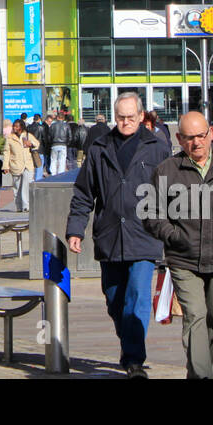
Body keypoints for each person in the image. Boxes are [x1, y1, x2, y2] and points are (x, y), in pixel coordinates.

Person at [143, 111, 213, 379]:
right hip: (184, 260)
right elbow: (150, 212)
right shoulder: (167, 171)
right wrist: (173, 235)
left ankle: (196, 372)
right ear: (179, 139)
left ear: (211, 133)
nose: (197, 142)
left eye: (202, 135)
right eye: (190, 138)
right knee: (195, 316)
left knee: (212, 322)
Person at [66, 92, 171, 379]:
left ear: (141, 117)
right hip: (110, 235)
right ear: (115, 117)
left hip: (145, 235)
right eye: (121, 117)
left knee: (137, 296)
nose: (126, 122)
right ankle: (128, 342)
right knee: (115, 299)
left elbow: (171, 194)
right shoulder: (100, 148)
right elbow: (84, 193)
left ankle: (135, 360)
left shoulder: (158, 149)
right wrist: (76, 229)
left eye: (131, 117)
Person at [3, 119, 38, 212]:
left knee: (26, 185)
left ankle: (26, 206)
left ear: (21, 127)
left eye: (17, 126)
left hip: (28, 164)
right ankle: (18, 206)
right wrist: (5, 166)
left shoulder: (27, 135)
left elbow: (37, 144)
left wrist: (31, 144)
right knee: (17, 187)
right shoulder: (10, 138)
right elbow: (6, 152)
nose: (14, 128)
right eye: (14, 126)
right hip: (15, 164)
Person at [47, 110, 72, 179]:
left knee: (53, 160)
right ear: (63, 118)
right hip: (63, 145)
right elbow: (70, 136)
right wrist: (67, 144)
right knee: (62, 160)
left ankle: (53, 174)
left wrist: (51, 143)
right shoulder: (66, 125)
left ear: (57, 118)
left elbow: (49, 136)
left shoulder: (53, 125)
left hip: (54, 144)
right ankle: (61, 175)